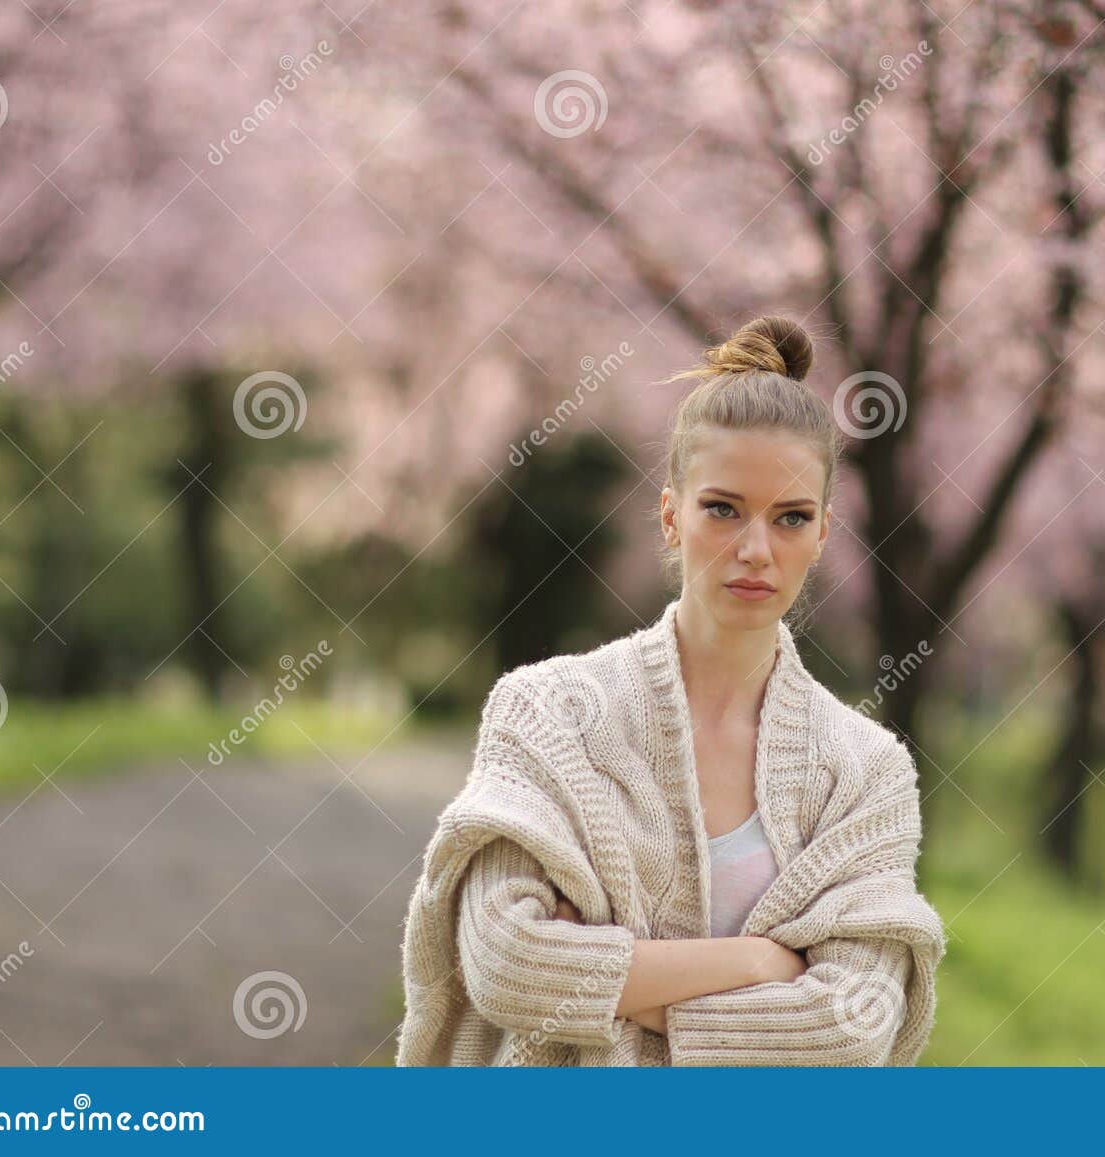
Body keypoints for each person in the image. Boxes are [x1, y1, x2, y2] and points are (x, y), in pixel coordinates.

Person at [396, 316, 946, 1066]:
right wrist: (760, 963)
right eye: (722, 508)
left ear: (822, 536)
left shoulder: (867, 770)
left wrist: (610, 982)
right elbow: (505, 964)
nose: (756, 549)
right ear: (670, 513)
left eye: (791, 518)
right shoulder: (547, 711)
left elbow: (848, 1027)